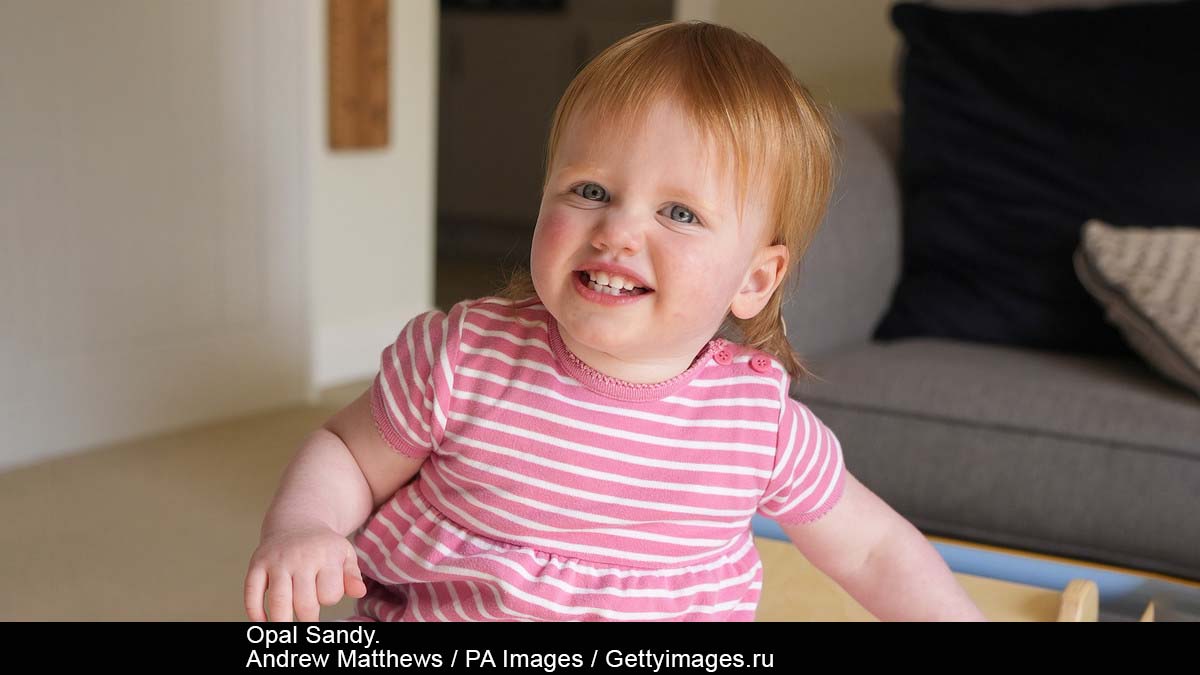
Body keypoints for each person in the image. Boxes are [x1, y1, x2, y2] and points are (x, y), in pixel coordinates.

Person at [245, 20, 986, 622]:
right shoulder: (463, 357)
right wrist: (303, 526)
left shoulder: (756, 425)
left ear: (754, 281)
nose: (619, 232)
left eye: (679, 212)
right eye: (591, 190)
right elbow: (346, 454)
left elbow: (873, 550)